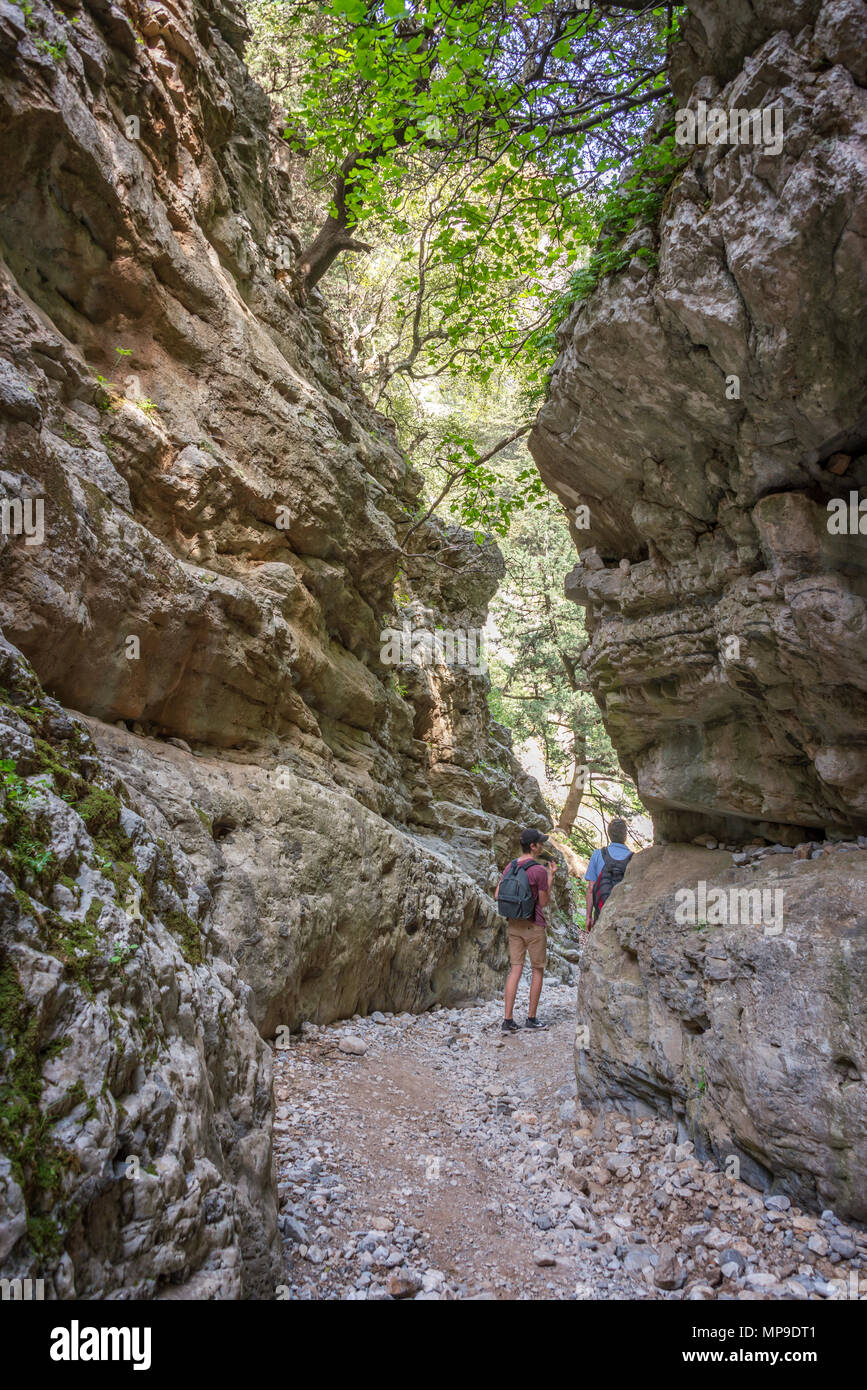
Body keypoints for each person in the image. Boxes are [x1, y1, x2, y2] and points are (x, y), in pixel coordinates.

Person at [494, 828, 556, 1033]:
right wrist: (550, 876)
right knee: (537, 970)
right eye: (540, 843)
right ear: (533, 846)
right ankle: (531, 1018)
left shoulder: (510, 866)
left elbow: (497, 894)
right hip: (533, 925)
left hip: (513, 924)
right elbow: (544, 902)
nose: (543, 846)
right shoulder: (538, 870)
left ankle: (508, 1020)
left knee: (515, 970)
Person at [584, 818, 633, 929]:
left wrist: (588, 917)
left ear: (609, 834)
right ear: (625, 836)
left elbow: (591, 888)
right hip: (622, 917)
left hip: (601, 915)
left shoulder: (598, 854)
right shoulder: (633, 858)